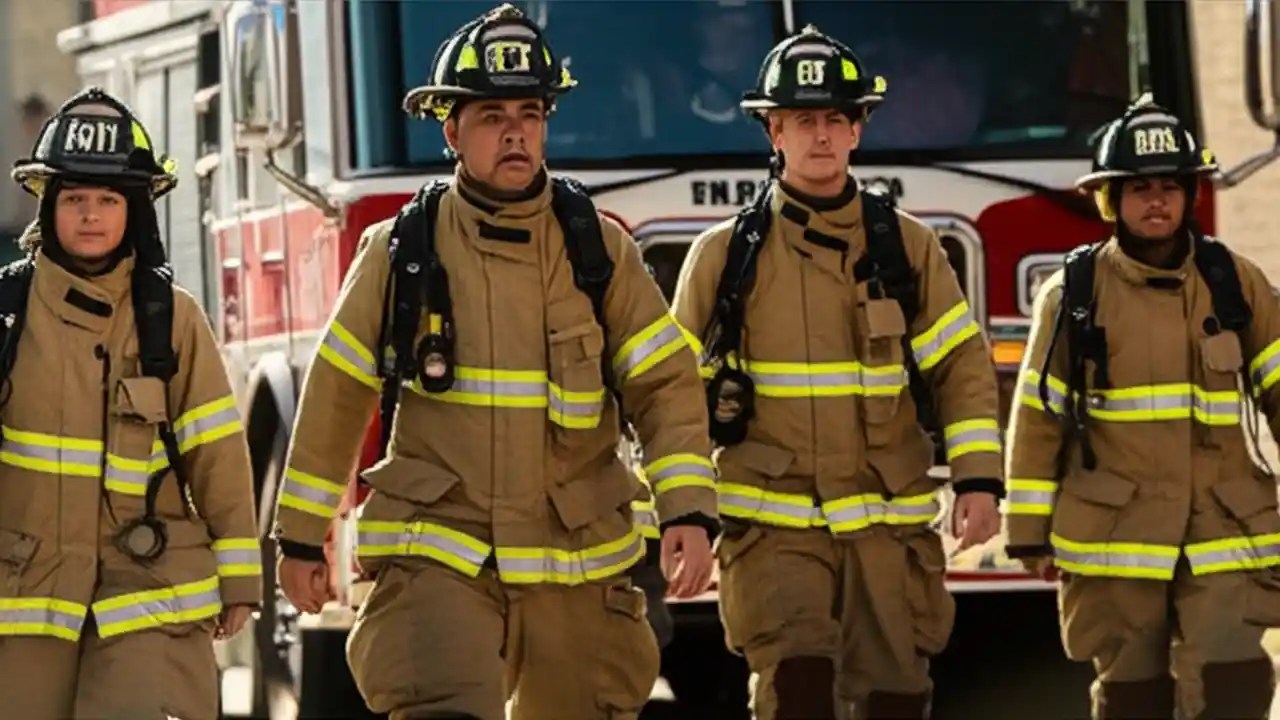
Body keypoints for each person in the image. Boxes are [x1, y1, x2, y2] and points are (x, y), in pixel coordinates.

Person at [270, 5, 718, 720]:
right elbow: (334, 395)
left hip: (577, 562)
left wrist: (689, 511)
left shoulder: (600, 252)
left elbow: (665, 389)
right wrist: (299, 537)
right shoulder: (400, 250)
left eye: (529, 113)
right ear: (452, 132)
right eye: (490, 116)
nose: (514, 131)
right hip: (439, 554)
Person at [673, 24, 1003, 720]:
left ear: (857, 131)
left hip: (888, 528)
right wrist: (682, 514)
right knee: (799, 690)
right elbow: (669, 391)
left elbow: (961, 367)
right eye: (801, 121)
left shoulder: (908, 247)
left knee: (895, 699)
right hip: (774, 529)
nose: (820, 136)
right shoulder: (724, 255)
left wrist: (977, 479)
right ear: (774, 133)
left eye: (835, 119)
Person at [1005, 93, 1280, 719]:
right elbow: (1038, 418)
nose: (1156, 201)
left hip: (1224, 528)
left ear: (1189, 194)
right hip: (1113, 537)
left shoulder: (1237, 284)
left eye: (1168, 187)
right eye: (1138, 188)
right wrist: (1028, 534)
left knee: (1234, 684)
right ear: (1110, 200)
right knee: (1133, 697)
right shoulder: (1073, 294)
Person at [0, 86, 261, 719]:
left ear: (136, 209)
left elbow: (218, 458)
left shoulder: (173, 322)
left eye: (109, 199)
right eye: (75, 199)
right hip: (24, 598)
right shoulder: (7, 316)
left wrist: (241, 583)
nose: (90, 215)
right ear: (48, 208)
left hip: (151, 589)